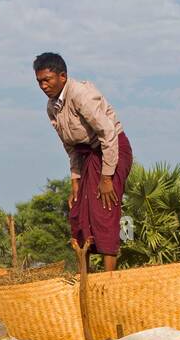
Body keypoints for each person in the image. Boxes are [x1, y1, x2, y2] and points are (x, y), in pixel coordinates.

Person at [34, 51, 133, 272]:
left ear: (62, 76)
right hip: (87, 157)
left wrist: (107, 177)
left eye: (47, 80)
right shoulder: (52, 107)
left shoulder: (80, 94)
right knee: (78, 214)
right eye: (39, 81)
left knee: (104, 211)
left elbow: (107, 132)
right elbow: (70, 147)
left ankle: (109, 281)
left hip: (112, 150)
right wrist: (75, 181)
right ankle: (84, 278)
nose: (43, 85)